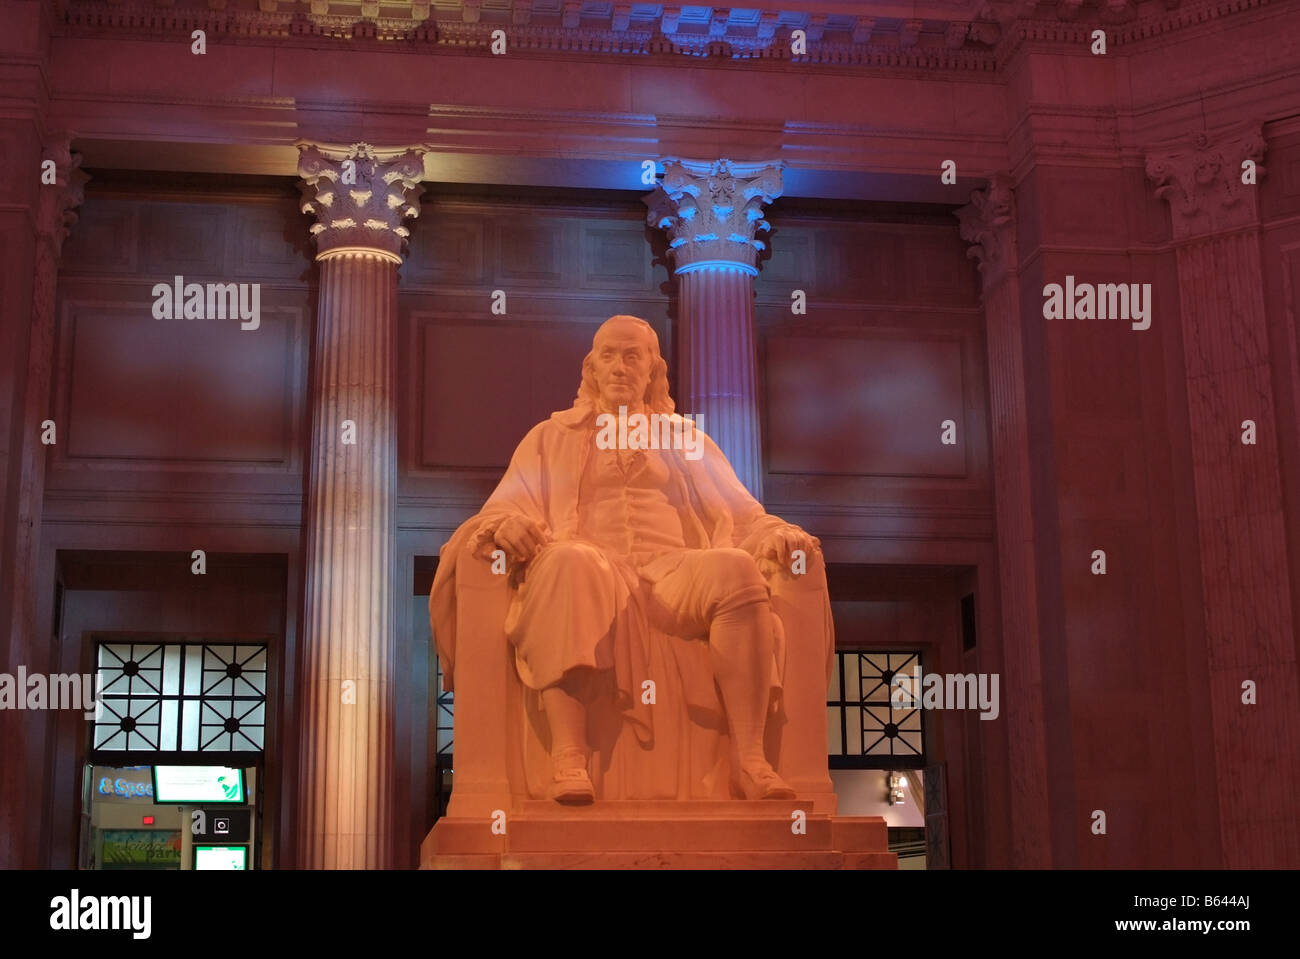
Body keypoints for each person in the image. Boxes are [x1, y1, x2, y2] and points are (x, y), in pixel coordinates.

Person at [445, 314, 819, 803]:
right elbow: (498, 514)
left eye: (632, 356)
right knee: (567, 563)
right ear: (591, 368)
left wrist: (777, 532)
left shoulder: (684, 439)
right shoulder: (550, 437)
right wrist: (504, 525)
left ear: (652, 371)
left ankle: (749, 759)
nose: (620, 367)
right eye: (608, 356)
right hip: (592, 569)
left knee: (736, 568)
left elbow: (745, 514)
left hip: (672, 570)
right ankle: (568, 758)